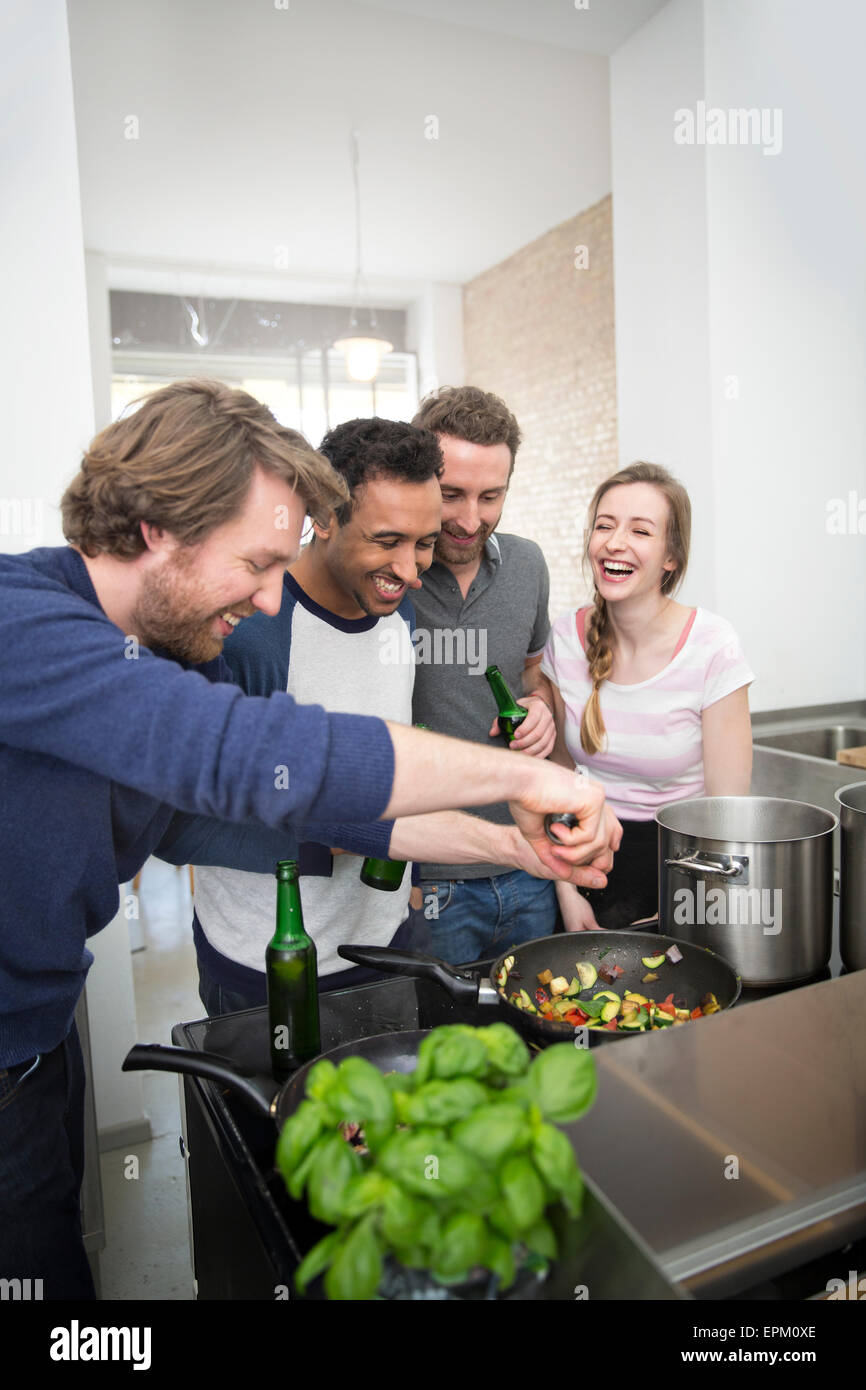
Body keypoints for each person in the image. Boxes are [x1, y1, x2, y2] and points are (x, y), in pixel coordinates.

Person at [0, 378, 617, 1299]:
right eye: (254, 564)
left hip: (39, 1035)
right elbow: (256, 754)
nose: (265, 597)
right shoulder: (25, 623)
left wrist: (516, 848)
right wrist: (532, 776)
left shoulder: (149, 643)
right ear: (163, 527)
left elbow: (323, 807)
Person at [171, 418, 606, 1012]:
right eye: (387, 540)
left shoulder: (396, 614)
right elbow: (217, 813)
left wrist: (515, 848)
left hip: (383, 949)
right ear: (322, 516)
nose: (409, 570)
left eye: (424, 543)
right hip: (268, 963)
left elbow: (388, 777)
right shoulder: (253, 631)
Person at [541, 461, 754, 931]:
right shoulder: (566, 639)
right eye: (604, 526)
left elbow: (728, 812)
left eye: (640, 531)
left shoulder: (713, 645)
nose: (615, 543)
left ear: (671, 557)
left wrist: (691, 898)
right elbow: (554, 778)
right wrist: (568, 890)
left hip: (685, 866)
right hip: (586, 864)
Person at [409, 386, 565, 964]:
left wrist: (543, 709)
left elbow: (532, 678)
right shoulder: (390, 577)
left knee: (536, 1039)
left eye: (491, 496)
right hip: (428, 882)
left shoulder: (527, 564)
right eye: (451, 495)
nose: (470, 519)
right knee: (448, 1048)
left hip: (529, 863)